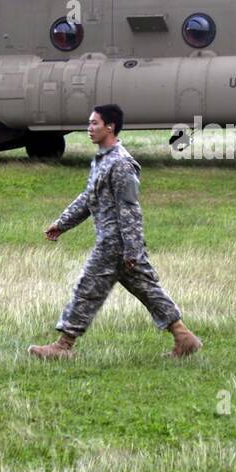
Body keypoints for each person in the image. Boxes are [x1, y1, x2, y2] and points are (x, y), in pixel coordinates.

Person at [29, 104, 200, 360]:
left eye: (94, 123)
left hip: (116, 243)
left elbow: (130, 209)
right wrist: (62, 223)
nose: (89, 128)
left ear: (110, 127)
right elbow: (88, 197)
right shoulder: (102, 160)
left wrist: (131, 250)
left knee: (87, 288)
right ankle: (184, 337)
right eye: (89, 123)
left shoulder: (121, 164)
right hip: (116, 242)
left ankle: (63, 346)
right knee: (148, 290)